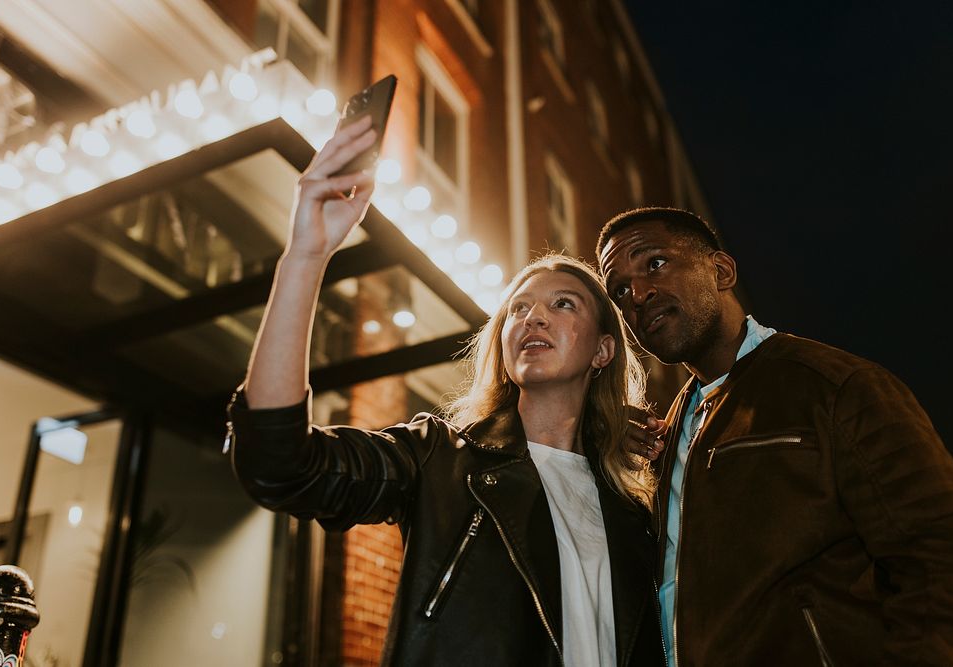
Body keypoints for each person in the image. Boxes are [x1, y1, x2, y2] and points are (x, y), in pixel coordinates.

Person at [226, 116, 666, 665]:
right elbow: (283, 466)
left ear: (602, 351)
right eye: (518, 309)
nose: (533, 318)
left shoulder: (634, 507)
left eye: (562, 304)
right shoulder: (438, 459)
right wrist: (305, 256)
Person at [597, 206, 953, 667]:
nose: (639, 294)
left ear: (721, 270)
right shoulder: (669, 433)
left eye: (655, 263)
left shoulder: (834, 385)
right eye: (620, 290)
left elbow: (938, 557)